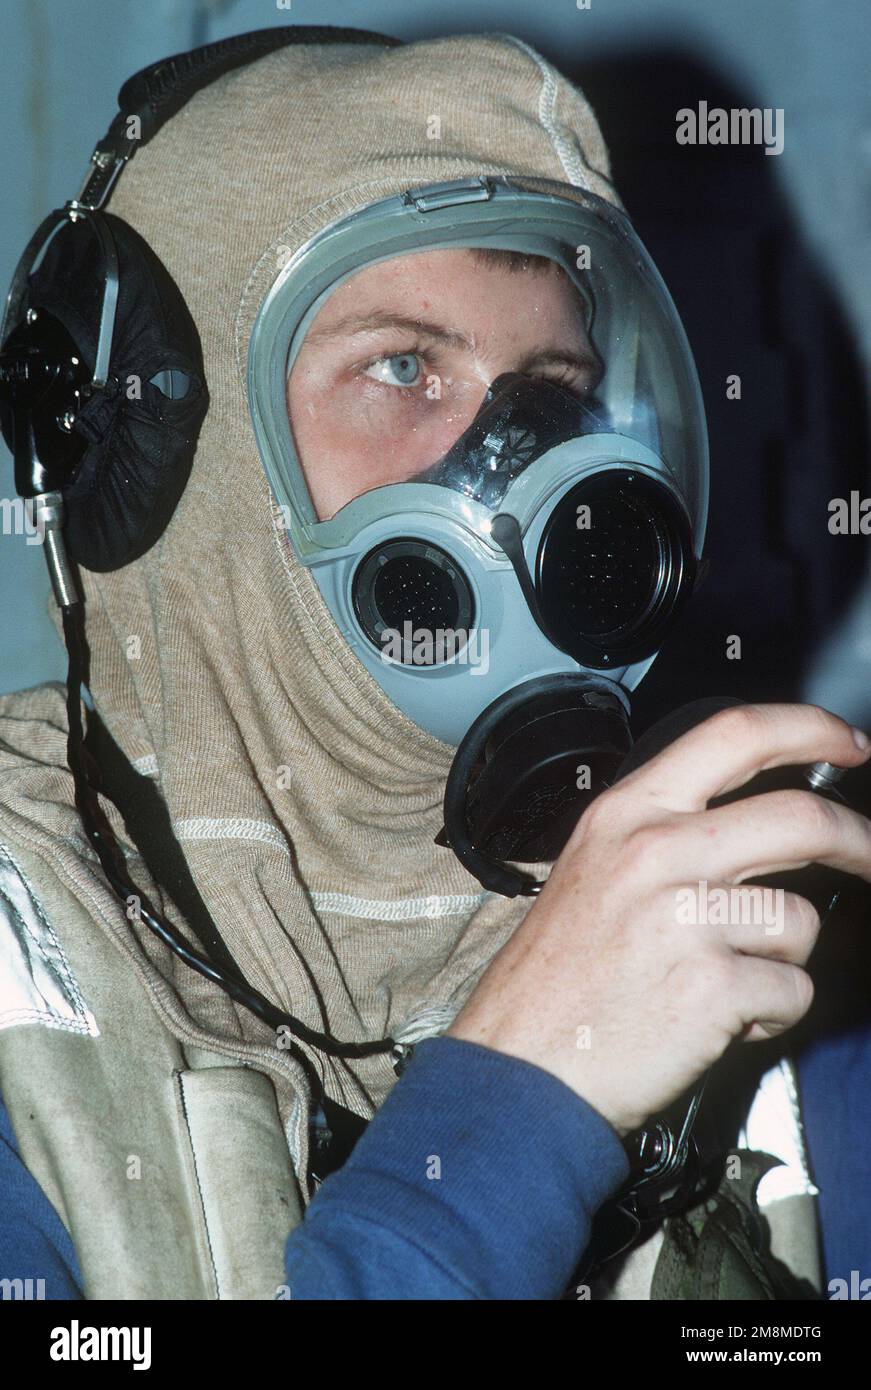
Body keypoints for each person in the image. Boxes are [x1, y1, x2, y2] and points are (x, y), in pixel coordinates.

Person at [0, 27, 869, 1303]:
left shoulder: (775, 961)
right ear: (159, 462)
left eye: (557, 389)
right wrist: (522, 1104)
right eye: (403, 366)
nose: (519, 470)